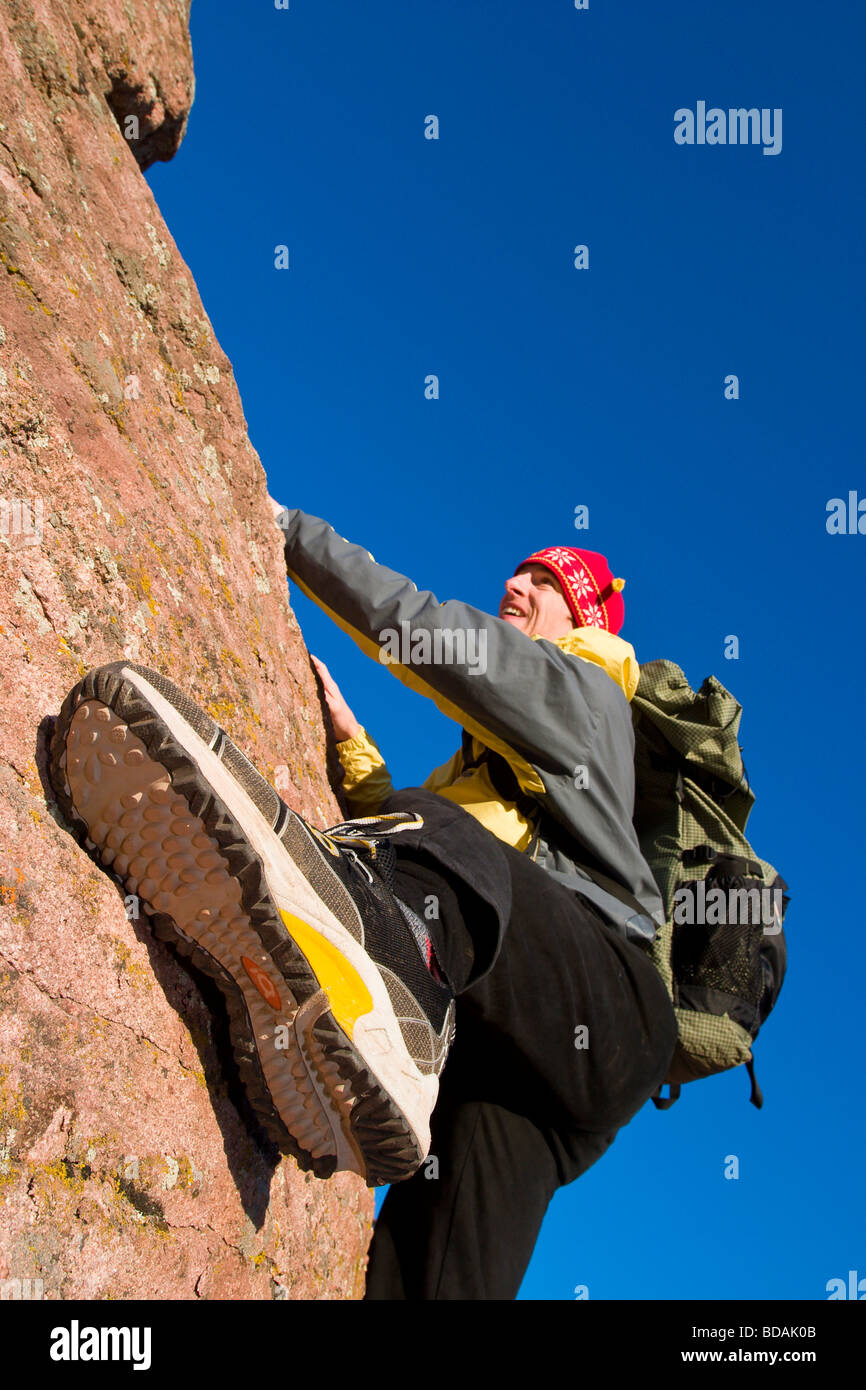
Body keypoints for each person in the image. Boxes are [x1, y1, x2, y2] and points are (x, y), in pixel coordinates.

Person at [48, 504, 677, 1302]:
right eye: (519, 570)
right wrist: (352, 749)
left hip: (609, 995)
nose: (514, 584)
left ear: (581, 615)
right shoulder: (505, 772)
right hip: (535, 1074)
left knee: (436, 833)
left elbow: (421, 629)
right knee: (432, 1274)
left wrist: (278, 525)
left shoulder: (584, 692)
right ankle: (393, 992)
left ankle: (386, 983)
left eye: (543, 580)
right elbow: (464, 864)